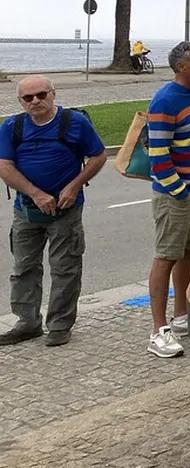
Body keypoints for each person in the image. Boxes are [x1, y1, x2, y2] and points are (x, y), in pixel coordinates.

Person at [0, 76, 106, 346]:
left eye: (41, 94)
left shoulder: (75, 123)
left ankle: (59, 325)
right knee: (23, 268)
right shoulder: (12, 126)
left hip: (65, 211)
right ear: (20, 102)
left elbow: (98, 156)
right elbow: (4, 166)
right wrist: (35, 194)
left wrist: (74, 187)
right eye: (28, 97)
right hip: (26, 211)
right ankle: (27, 323)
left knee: (65, 269)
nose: (36, 101)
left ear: (53, 94)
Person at [146, 41, 190, 358]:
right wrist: (181, 191)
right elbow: (158, 156)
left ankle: (182, 315)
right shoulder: (164, 101)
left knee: (188, 252)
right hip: (177, 193)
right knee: (166, 256)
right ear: (181, 67)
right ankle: (158, 331)